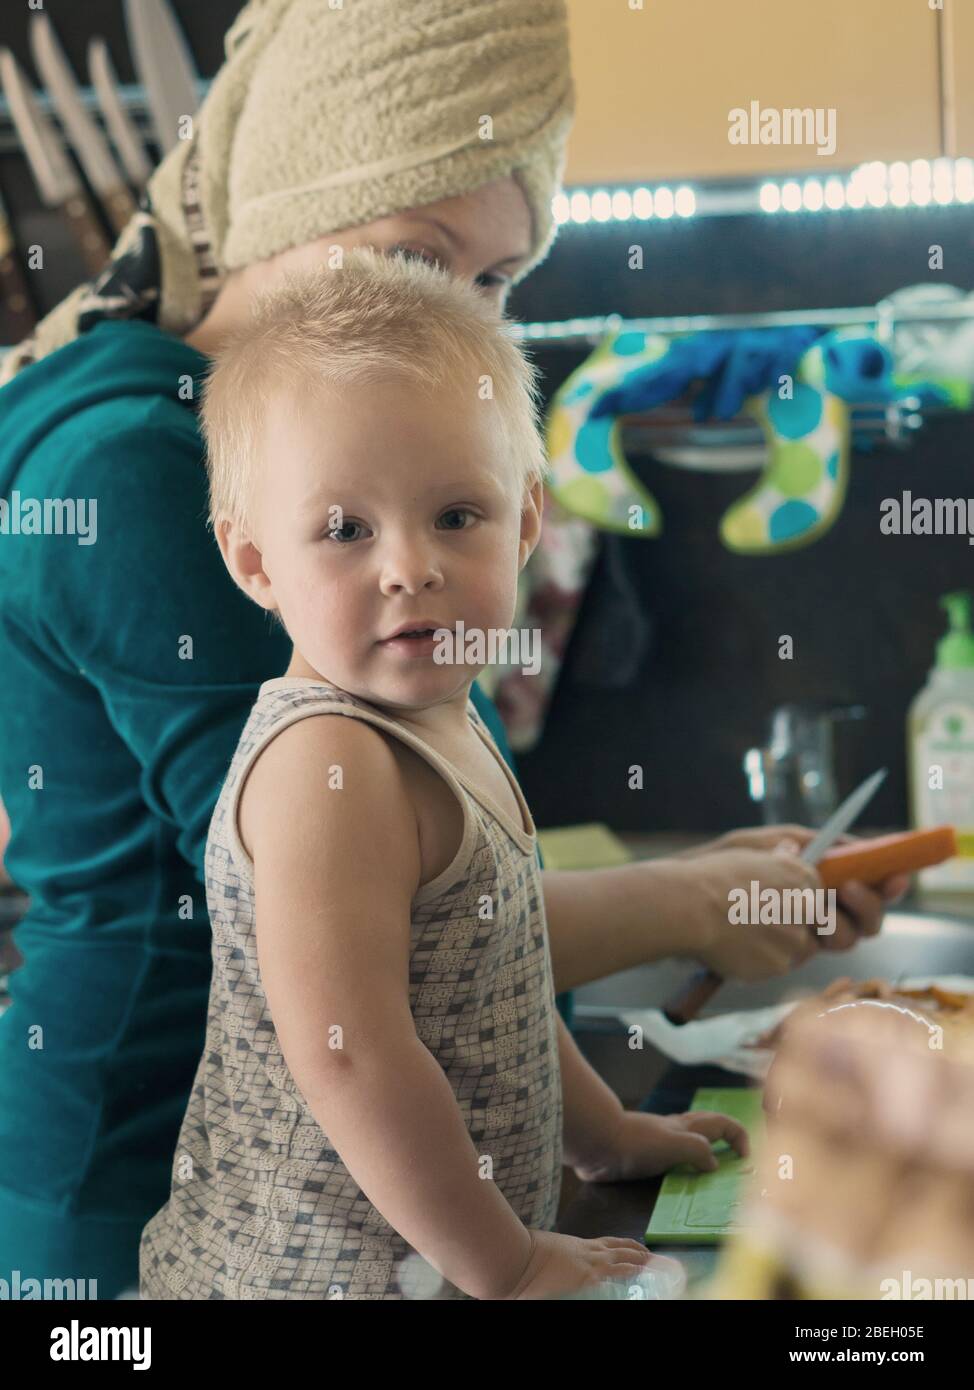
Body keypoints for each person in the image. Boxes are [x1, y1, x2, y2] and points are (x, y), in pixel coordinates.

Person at [0, 0, 906, 1299]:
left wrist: (602, 1123)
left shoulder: (357, 539)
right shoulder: (147, 464)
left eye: (491, 280)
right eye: (413, 255)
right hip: (149, 1169)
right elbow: (351, 935)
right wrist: (700, 900)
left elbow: (428, 887)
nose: (449, 320)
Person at [141, 252, 759, 1300]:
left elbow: (502, 971)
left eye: (455, 516)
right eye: (345, 529)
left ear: (524, 524)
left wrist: (600, 1135)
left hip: (427, 1267)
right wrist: (506, 1262)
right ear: (253, 564)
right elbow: (352, 1058)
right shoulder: (326, 766)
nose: (408, 566)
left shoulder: (442, 717)